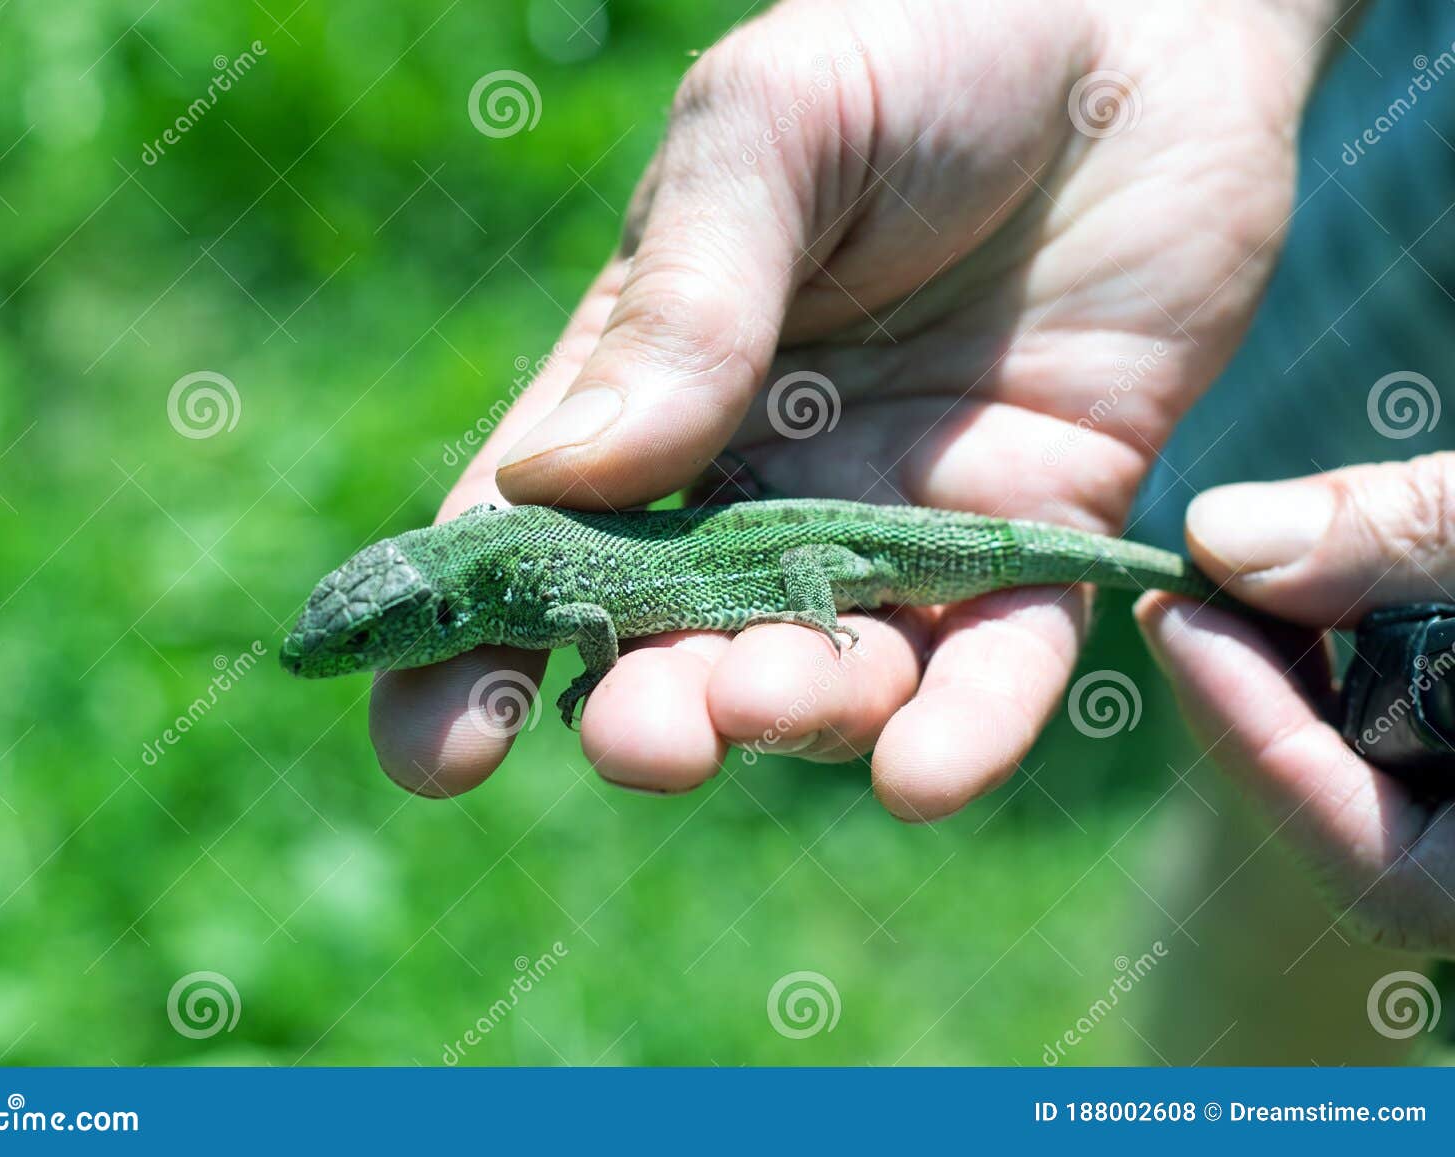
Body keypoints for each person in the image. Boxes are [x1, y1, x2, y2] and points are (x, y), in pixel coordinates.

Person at [372, 0, 1455, 975]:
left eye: (368, 634)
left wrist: (598, 667)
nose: (347, 650)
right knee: (1308, 784)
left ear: (433, 609)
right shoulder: (489, 554)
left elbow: (591, 614)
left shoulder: (509, 573)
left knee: (1314, 694)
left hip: (819, 549)